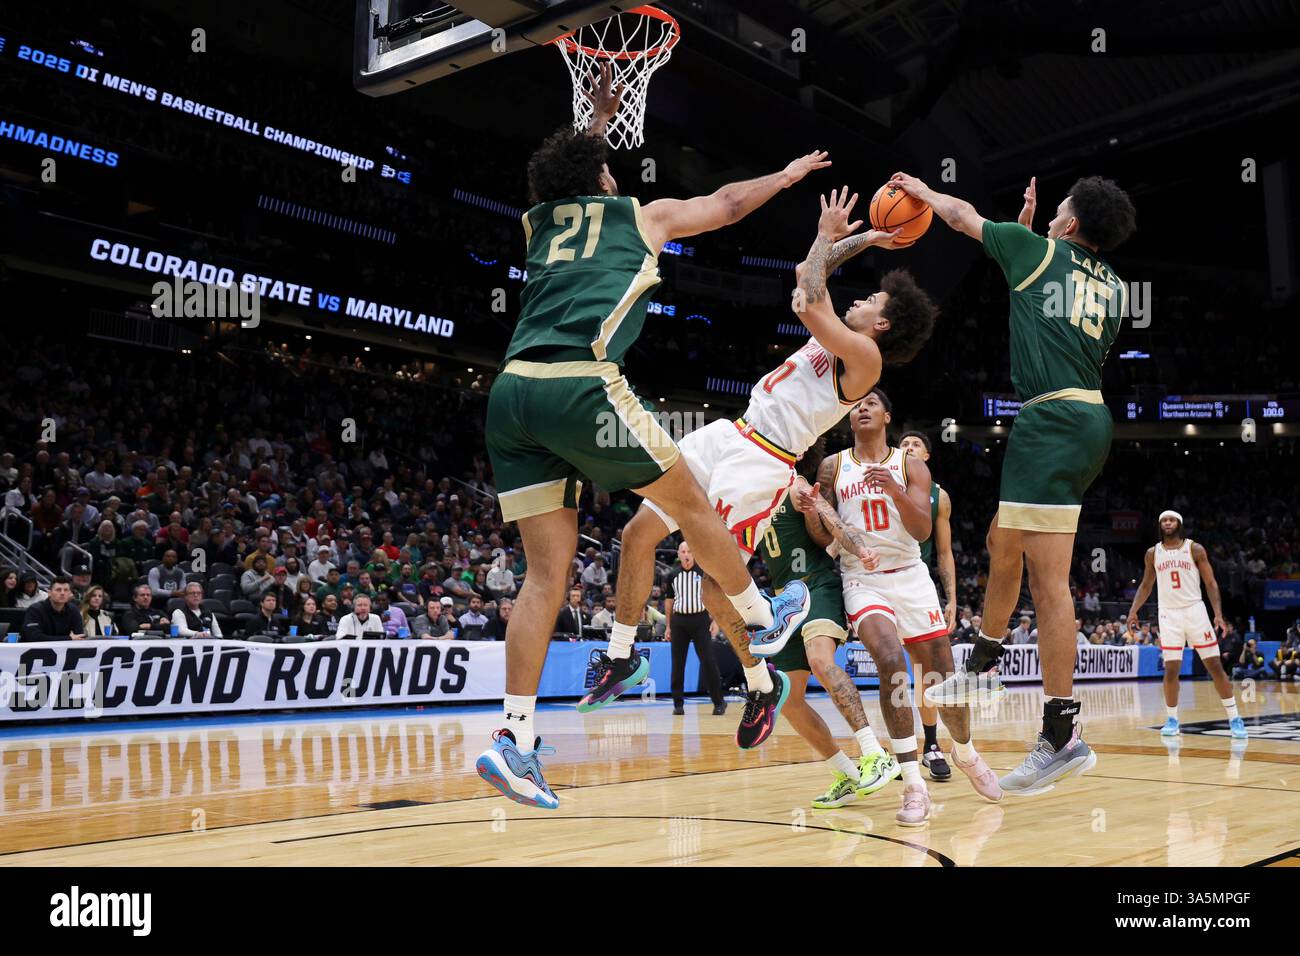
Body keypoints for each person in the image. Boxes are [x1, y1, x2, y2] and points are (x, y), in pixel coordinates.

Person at [476, 66, 826, 808]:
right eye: (607, 165)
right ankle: (766, 618)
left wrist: (596, 117)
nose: (613, 171)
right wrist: (788, 176)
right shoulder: (642, 215)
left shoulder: (539, 221)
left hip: (510, 395)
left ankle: (512, 740)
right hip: (578, 381)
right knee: (693, 504)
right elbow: (728, 204)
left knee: (544, 577)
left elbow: (567, 172)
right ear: (603, 181)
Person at [582, 187, 937, 751]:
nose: (861, 300)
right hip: (729, 434)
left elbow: (807, 294)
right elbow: (807, 273)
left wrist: (832, 236)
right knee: (637, 533)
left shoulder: (865, 360)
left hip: (764, 459)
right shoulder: (846, 339)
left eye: (872, 299)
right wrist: (865, 237)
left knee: (719, 579)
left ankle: (764, 655)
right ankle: (624, 655)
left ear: (884, 325)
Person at [896, 170, 1137, 795]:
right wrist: (1027, 235)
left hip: (1052, 419)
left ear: (1073, 222)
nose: (1051, 214)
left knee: (1050, 581)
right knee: (1006, 539)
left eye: (1059, 209)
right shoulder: (1111, 286)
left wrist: (923, 191)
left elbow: (960, 216)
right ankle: (981, 662)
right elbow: (1043, 308)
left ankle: (1061, 732)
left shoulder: (1040, 250)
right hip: (1083, 417)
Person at [803, 390, 1001, 824]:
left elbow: (921, 528)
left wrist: (895, 490)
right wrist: (809, 514)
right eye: (856, 405)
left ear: (887, 415)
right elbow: (825, 539)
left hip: (910, 575)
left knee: (941, 683)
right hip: (863, 578)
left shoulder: (909, 464)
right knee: (889, 659)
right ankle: (913, 783)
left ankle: (965, 752)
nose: (862, 408)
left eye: (871, 403)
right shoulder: (833, 466)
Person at [757, 443, 900, 807]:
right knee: (787, 698)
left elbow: (834, 524)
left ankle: (874, 753)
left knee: (821, 661)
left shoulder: (798, 486)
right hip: (781, 601)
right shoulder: (753, 500)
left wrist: (860, 548)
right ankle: (847, 775)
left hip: (816, 585)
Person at [1127, 511, 1246, 738]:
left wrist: (1218, 614)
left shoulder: (1195, 549)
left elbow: (1210, 583)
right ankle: (1172, 719)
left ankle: (1235, 718)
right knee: (1171, 669)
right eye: (1163, 520)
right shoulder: (1153, 553)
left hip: (1195, 610)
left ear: (1179, 524)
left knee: (1215, 665)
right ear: (1160, 525)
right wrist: (1133, 611)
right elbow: (1145, 585)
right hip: (1168, 614)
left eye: (1171, 520)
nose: (1167, 523)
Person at [899, 429, 958, 780]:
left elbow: (945, 552)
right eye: (903, 443)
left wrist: (951, 598)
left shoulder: (940, 497)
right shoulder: (879, 479)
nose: (908, 448)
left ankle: (932, 744)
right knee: (888, 663)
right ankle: (887, 751)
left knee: (928, 669)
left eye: (915, 444)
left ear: (927, 456)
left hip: (914, 580)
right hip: (874, 579)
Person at [660, 542, 727, 717]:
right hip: (679, 621)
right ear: (678, 554)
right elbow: (669, 601)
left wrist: (715, 621)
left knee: (708, 661)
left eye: (689, 551)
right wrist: (668, 625)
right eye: (683, 551)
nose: (686, 554)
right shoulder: (672, 575)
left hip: (700, 620)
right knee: (677, 664)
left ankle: (719, 702)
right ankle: (678, 704)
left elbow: (714, 597)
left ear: (694, 553)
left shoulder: (704, 573)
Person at [20, 576, 86, 641]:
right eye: (58, 590)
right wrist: (69, 638)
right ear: (49, 593)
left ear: (70, 594)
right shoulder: (35, 610)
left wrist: (71, 638)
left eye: (66, 590)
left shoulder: (73, 610)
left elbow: (79, 636)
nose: (62, 593)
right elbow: (34, 637)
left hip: (62, 649)